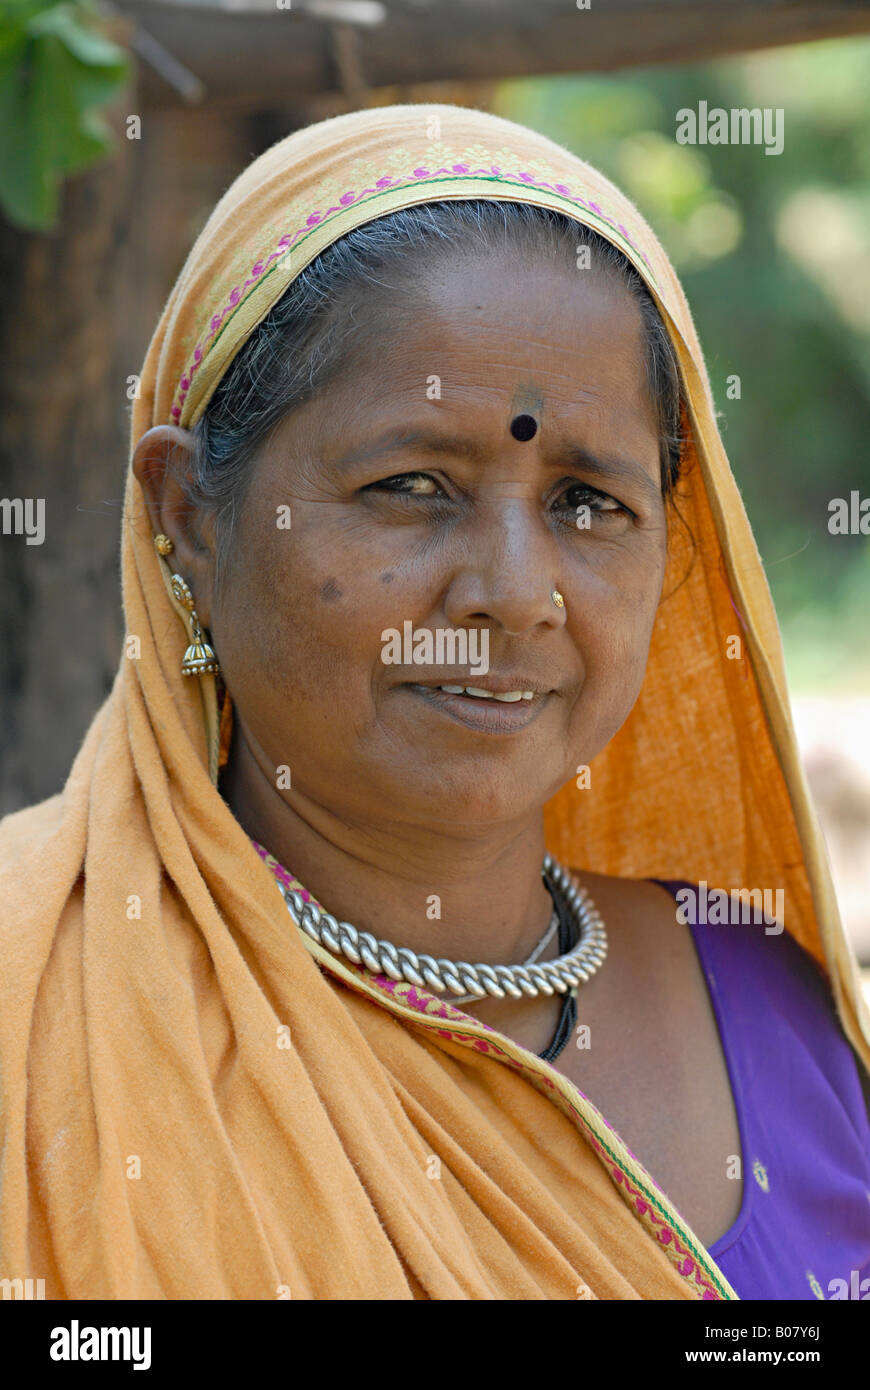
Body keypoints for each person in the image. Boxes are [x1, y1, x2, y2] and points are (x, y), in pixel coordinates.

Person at [1, 103, 868, 1302]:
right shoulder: (35, 1002)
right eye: (412, 484)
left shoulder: (763, 992)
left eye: (586, 502)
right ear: (189, 517)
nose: (517, 595)